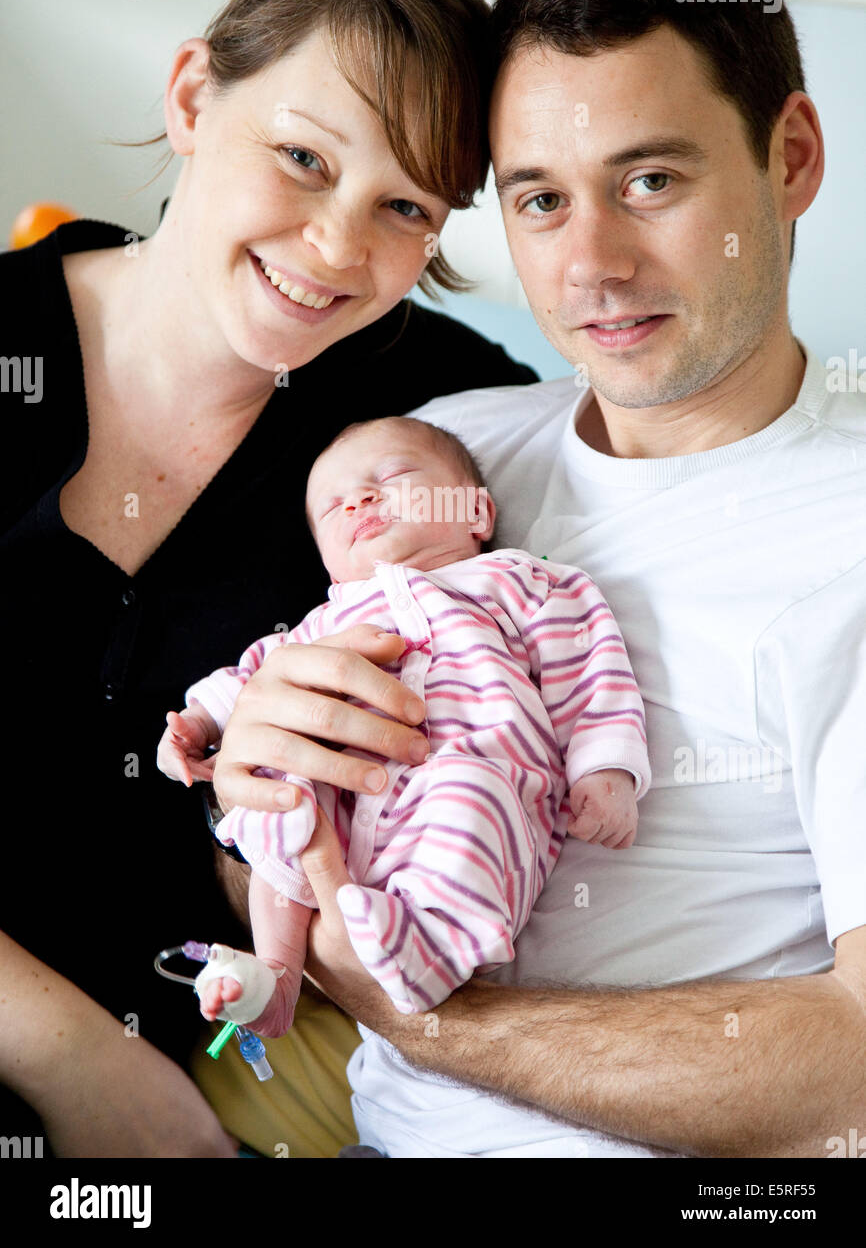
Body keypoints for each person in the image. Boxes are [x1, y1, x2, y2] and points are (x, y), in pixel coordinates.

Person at [210, 0, 866, 1158]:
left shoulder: (845, 530)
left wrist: (430, 1017)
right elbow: (289, 863)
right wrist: (264, 781)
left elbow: (857, 1066)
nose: (591, 267)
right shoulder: (444, 454)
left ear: (787, 159)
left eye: (650, 181)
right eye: (538, 200)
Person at [0, 0, 541, 1157]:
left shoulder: (428, 416)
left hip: (200, 1080)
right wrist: (76, 1059)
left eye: (404, 205)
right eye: (301, 156)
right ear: (193, 95)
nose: (340, 249)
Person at [157, 415, 649, 1041]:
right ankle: (279, 978)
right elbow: (253, 676)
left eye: (390, 479)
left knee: (473, 797)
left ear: (476, 512)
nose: (358, 499)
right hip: (347, 800)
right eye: (334, 507)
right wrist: (199, 722)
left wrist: (604, 767)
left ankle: (429, 948)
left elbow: (587, 666)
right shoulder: (324, 620)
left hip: (472, 780)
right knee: (278, 806)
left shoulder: (520, 583)